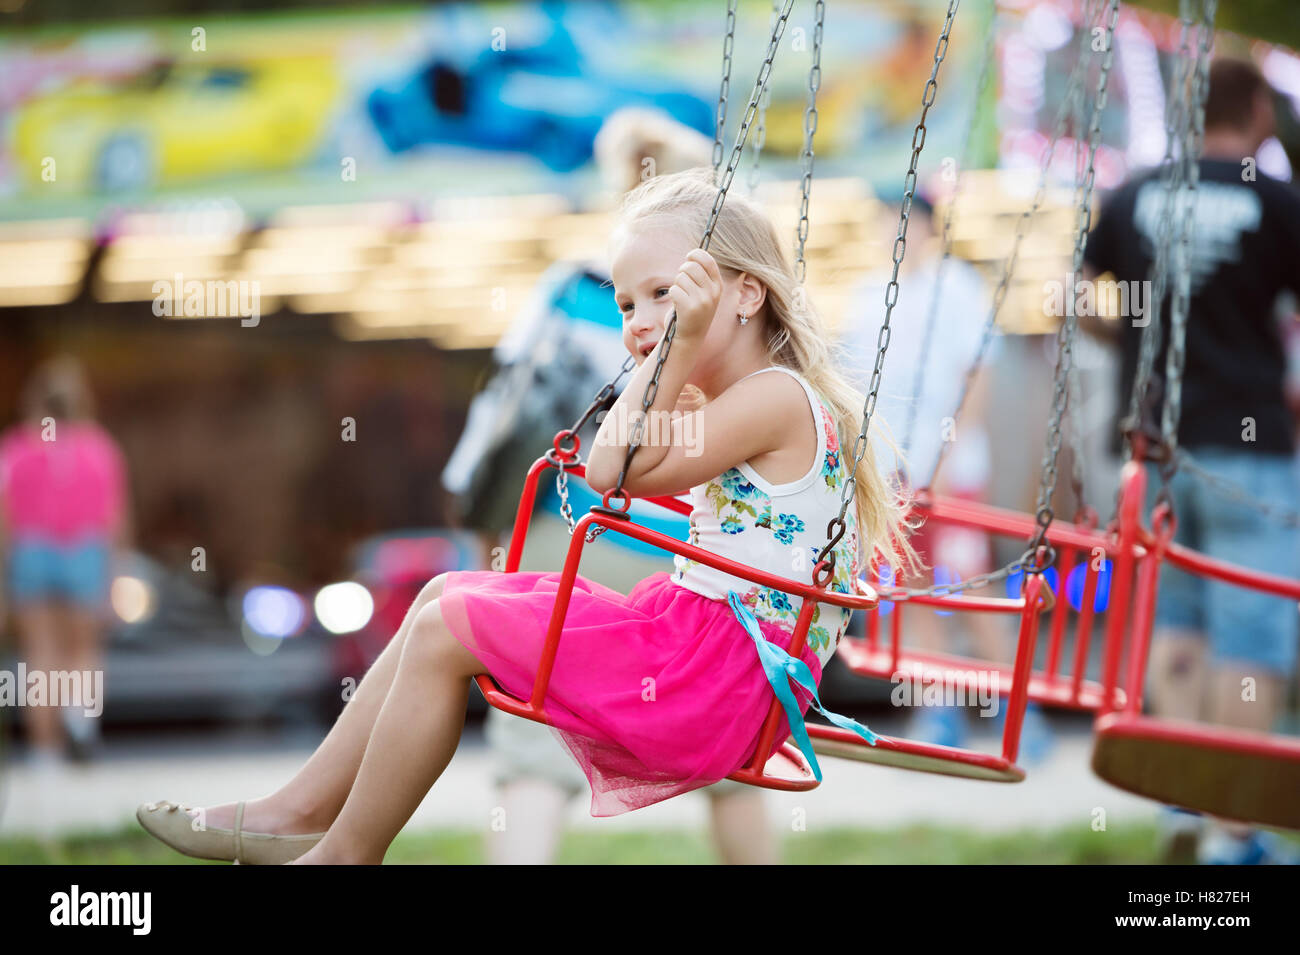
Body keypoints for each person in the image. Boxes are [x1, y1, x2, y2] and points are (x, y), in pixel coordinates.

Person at [136, 166, 912, 864]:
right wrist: (672, 357)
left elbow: (612, 469)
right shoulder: (735, 403)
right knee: (444, 597)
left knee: (447, 629)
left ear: (746, 294)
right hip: (697, 652)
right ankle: (297, 810)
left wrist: (669, 356)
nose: (640, 320)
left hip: (707, 677)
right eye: (627, 300)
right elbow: (622, 464)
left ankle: (342, 853)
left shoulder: (772, 399)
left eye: (665, 294)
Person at [442, 108, 779, 865]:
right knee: (730, 767)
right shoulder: (717, 313)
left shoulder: (567, 292)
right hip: (686, 548)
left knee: (534, 745)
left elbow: (498, 415)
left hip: (568, 536)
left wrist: (481, 527)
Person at [1081, 57, 1300, 865]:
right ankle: (1232, 834)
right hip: (1250, 449)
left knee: (1174, 621)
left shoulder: (1135, 193)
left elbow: (1074, 294)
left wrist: (1131, 338)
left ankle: (1181, 798)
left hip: (1155, 447)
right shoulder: (1275, 200)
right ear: (1259, 116)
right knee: (1251, 628)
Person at [838, 190, 1054, 760]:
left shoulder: (957, 286)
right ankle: (938, 710)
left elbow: (976, 372)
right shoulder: (870, 295)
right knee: (907, 587)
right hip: (892, 466)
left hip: (949, 460)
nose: (895, 232)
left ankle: (1016, 705)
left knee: (965, 580)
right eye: (886, 220)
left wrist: (954, 446)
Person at [0, 355, 130, 767]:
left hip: (33, 550)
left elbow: (5, 515)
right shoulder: (101, 449)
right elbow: (115, 517)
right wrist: (115, 574)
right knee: (85, 648)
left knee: (40, 654)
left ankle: (45, 750)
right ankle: (80, 715)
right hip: (84, 550)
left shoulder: (16, 447)